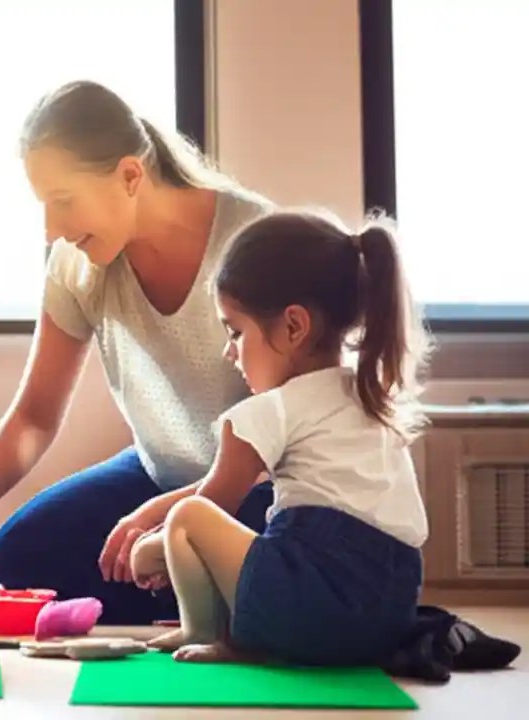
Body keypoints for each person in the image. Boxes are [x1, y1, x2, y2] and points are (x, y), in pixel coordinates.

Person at [0, 79, 276, 624]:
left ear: (130, 175)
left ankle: (215, 588)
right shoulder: (75, 267)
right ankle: (202, 593)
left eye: (63, 202)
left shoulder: (254, 238)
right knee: (19, 556)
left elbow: (286, 429)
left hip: (256, 487)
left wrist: (175, 515)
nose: (53, 230)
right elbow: (35, 415)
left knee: (284, 554)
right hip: (159, 470)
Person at [128, 208, 432, 665]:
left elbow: (212, 503)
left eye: (235, 331)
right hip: (389, 612)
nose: (228, 351)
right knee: (247, 529)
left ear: (294, 326)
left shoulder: (268, 412)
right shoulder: (370, 396)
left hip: (315, 604)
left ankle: (204, 632)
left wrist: (151, 549)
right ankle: (243, 631)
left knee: (191, 516)